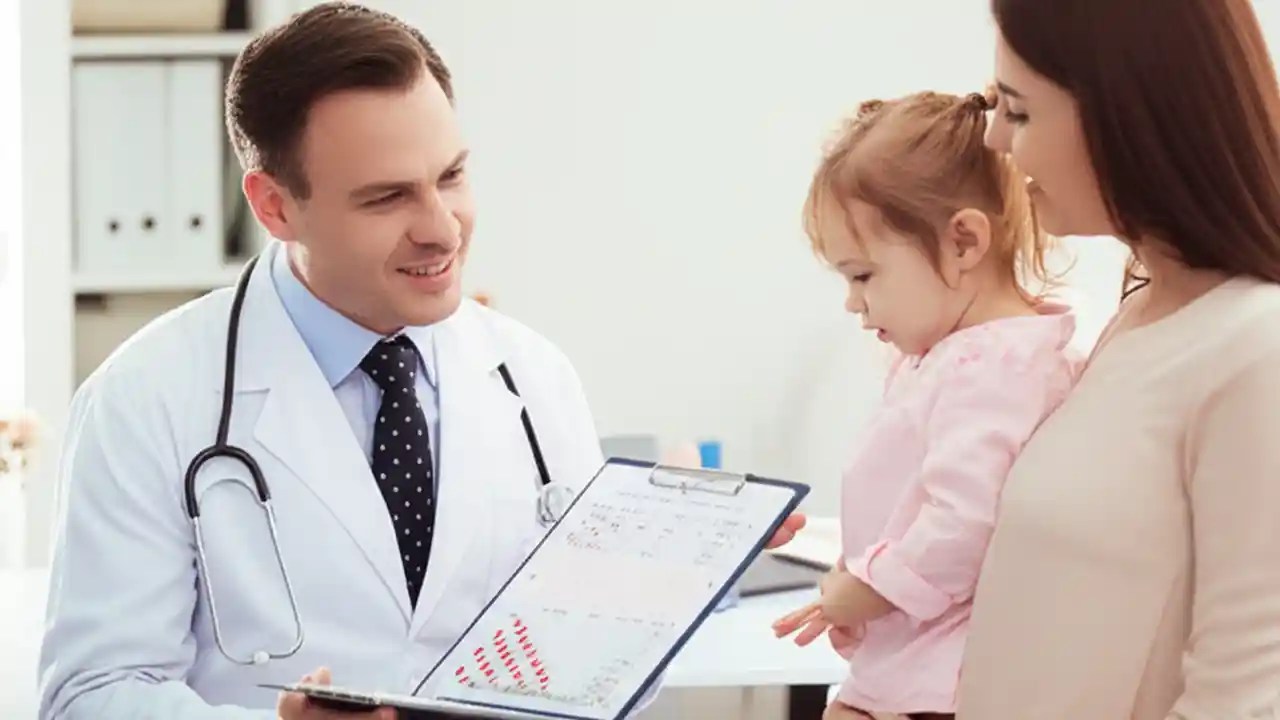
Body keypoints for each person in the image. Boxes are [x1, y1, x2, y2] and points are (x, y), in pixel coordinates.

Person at [35, 4, 804, 719]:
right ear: (274, 206)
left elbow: (583, 673)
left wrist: (664, 585)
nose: (443, 229)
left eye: (452, 176)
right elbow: (92, 694)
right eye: (386, 198)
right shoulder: (146, 398)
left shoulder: (533, 376)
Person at [952, 0, 1280, 717]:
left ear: (1128, 114)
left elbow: (1247, 698)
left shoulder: (1256, 349)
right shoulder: (1142, 315)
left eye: (1019, 112)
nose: (997, 142)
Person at [771, 91, 1080, 720]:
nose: (853, 304)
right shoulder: (960, 357)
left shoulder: (993, 370)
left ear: (964, 242)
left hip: (942, 687)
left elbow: (966, 520)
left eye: (862, 276)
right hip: (916, 667)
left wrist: (868, 590)